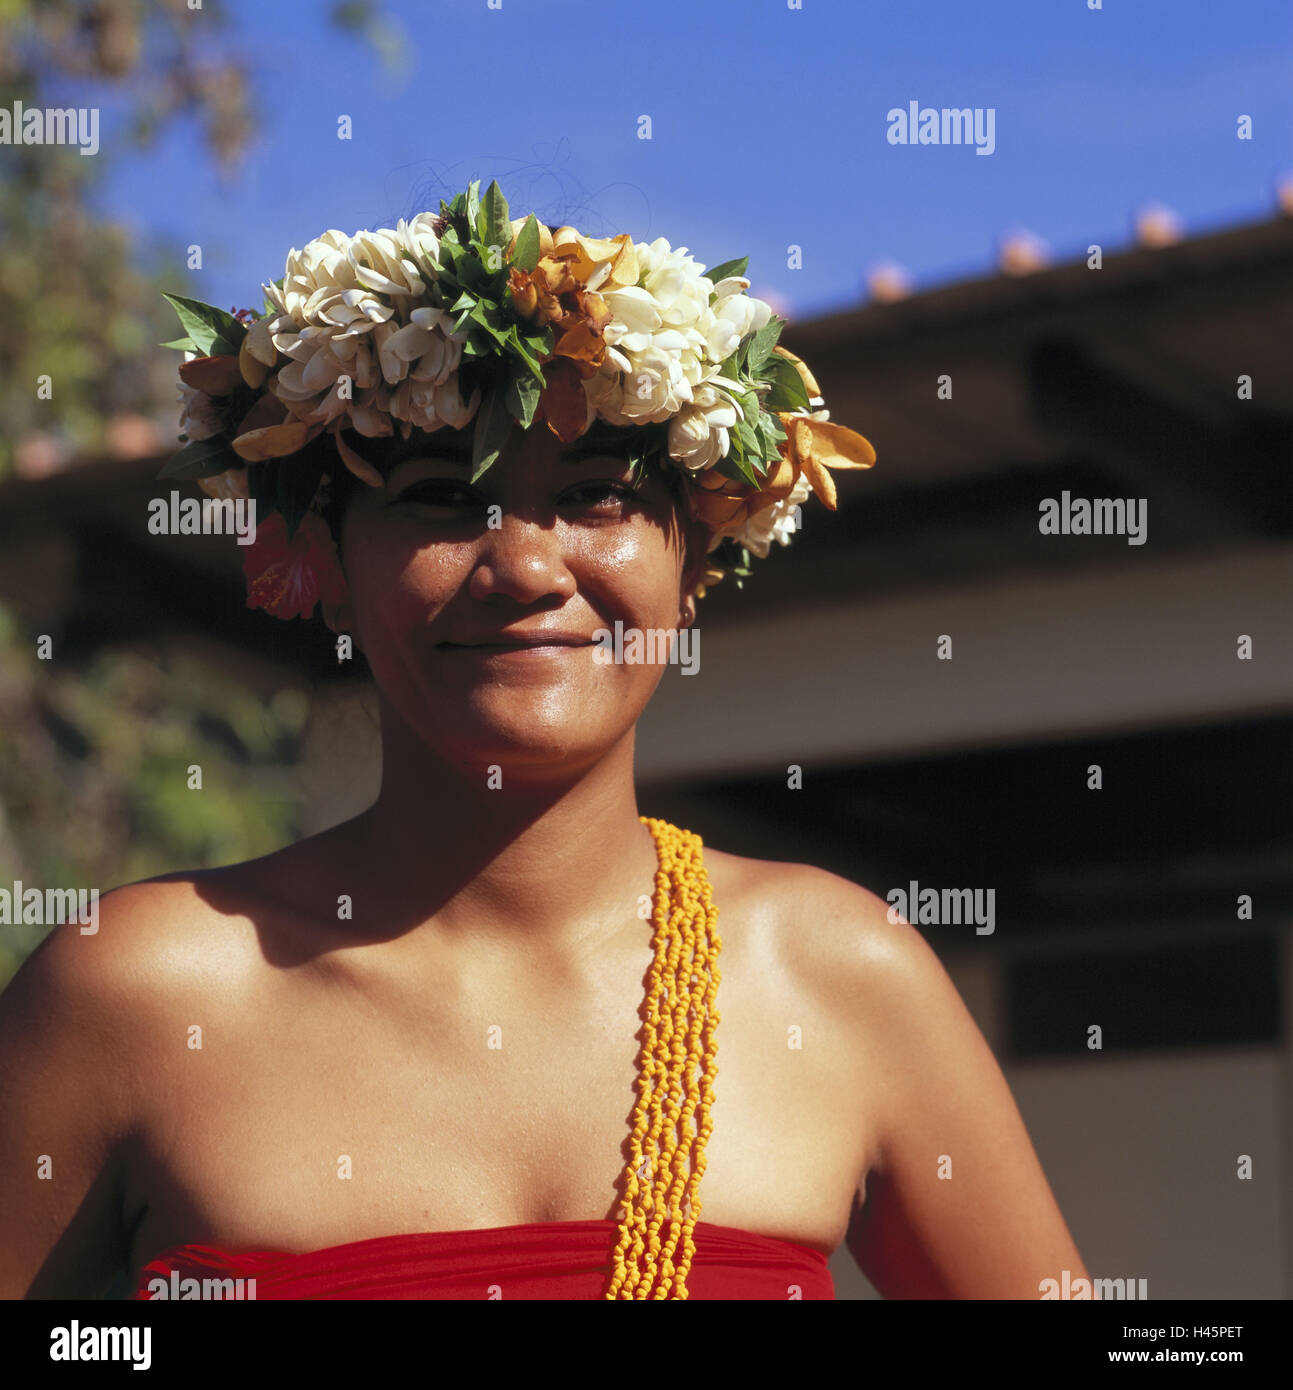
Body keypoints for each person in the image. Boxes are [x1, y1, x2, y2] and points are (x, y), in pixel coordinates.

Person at [0, 182, 1087, 1300]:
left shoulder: (837, 975)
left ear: (698, 560)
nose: (523, 566)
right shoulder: (136, 992)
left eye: (599, 495)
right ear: (317, 563)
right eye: (432, 495)